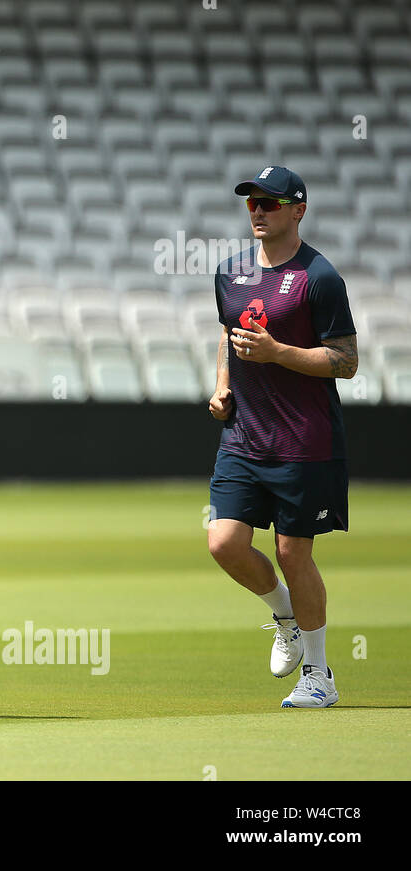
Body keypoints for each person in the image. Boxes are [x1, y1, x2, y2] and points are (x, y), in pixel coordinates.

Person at [206, 165, 358, 709]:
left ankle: (319, 675)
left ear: (298, 209)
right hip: (245, 436)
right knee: (223, 542)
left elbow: (345, 362)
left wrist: (279, 354)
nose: (258, 211)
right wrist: (223, 386)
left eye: (270, 203)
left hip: (304, 440)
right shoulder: (229, 272)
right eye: (252, 203)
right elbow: (228, 334)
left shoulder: (321, 277)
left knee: (294, 553)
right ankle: (285, 615)